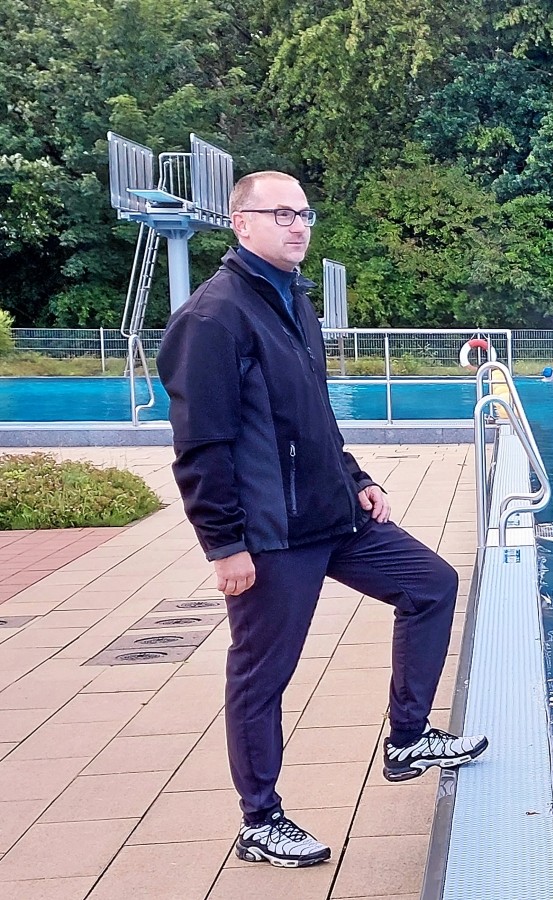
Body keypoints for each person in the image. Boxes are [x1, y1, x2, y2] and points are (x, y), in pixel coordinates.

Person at [156, 171, 488, 869]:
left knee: (430, 584)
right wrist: (223, 545)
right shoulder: (213, 318)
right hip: (270, 533)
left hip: (332, 513)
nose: (297, 224)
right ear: (240, 224)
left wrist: (356, 479)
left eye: (303, 212)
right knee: (262, 676)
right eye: (280, 213)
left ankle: (407, 739)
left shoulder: (294, 302)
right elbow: (202, 445)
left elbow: (312, 417)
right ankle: (260, 821)